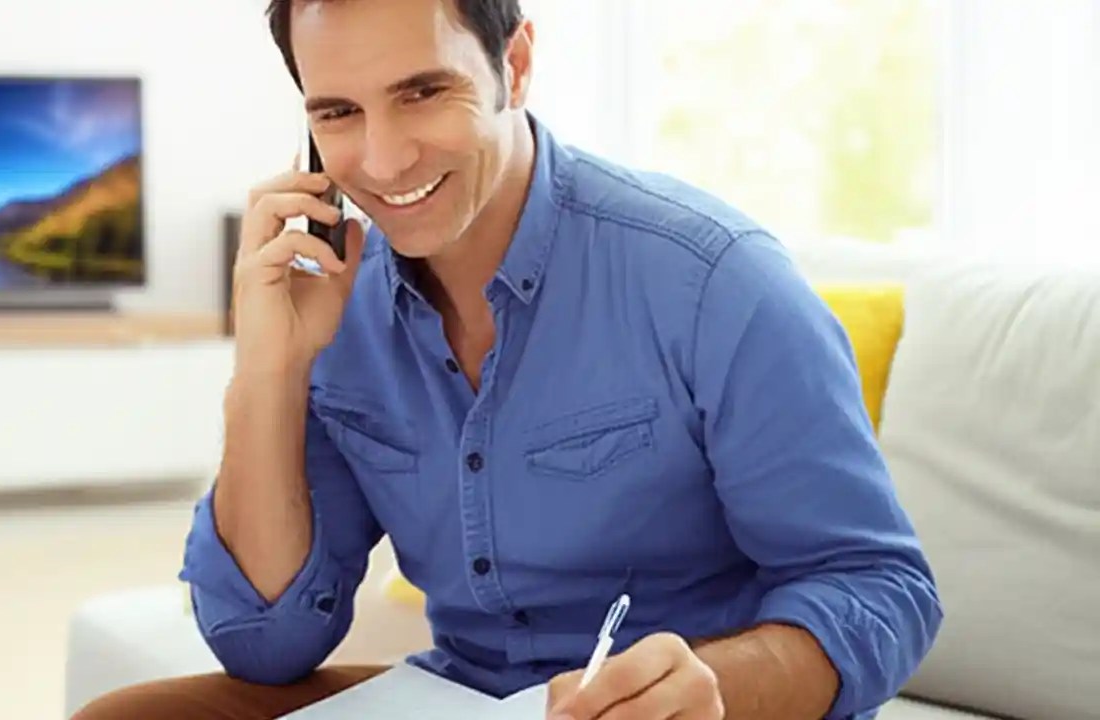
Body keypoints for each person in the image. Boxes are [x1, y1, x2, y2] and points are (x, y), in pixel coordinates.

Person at [74, 0, 943, 718]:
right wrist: (268, 370)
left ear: (515, 65)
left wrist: (716, 690)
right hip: (462, 695)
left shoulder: (715, 282)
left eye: (423, 92)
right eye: (337, 112)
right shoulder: (335, 302)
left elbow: (880, 586)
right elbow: (265, 645)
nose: (383, 159)